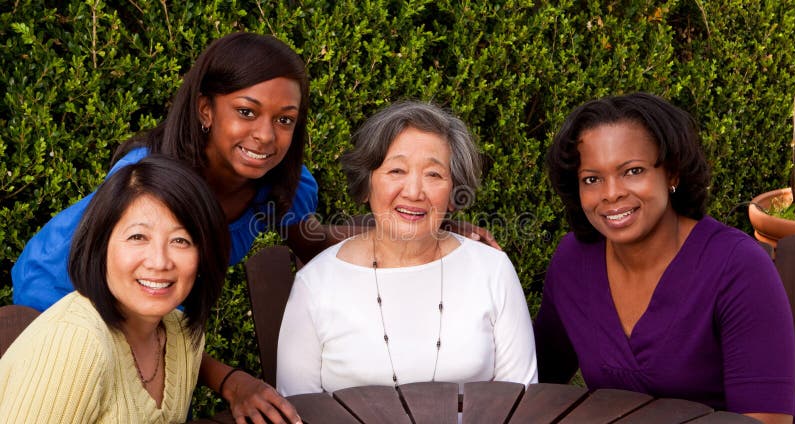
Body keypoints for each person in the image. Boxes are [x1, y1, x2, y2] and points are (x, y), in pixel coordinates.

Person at [10, 32, 495, 420]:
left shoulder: (275, 188)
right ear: (205, 109)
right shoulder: (150, 182)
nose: (265, 135)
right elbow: (133, 315)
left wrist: (433, 233)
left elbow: (315, 245)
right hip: (55, 301)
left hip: (150, 329)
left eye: (285, 119)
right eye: (246, 112)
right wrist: (232, 379)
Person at [536, 92, 795, 423]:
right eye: (592, 179)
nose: (611, 192)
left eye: (632, 171)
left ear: (672, 173)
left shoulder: (737, 268)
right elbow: (534, 377)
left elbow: (764, 421)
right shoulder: (573, 262)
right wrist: (458, 241)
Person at [0, 155, 290, 423]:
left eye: (181, 241)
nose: (160, 261)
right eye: (138, 236)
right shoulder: (76, 343)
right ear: (101, 247)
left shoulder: (181, 335)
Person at [276, 101, 537, 396]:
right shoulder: (316, 283)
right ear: (366, 184)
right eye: (396, 170)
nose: (413, 192)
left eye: (434, 175)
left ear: (454, 193)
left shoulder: (492, 270)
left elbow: (521, 398)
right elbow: (297, 408)